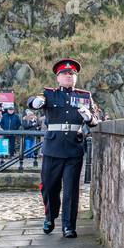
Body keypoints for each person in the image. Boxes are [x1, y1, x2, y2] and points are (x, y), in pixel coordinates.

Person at [29, 58, 100, 238]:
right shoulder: (50, 94)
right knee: (49, 187)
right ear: (58, 78)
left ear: (75, 78)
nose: (69, 76)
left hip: (73, 149)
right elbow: (36, 101)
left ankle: (69, 226)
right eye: (65, 73)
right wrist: (35, 102)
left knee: (71, 190)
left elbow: (95, 123)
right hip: (52, 148)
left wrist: (89, 117)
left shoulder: (84, 96)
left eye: (72, 74)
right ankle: (50, 217)